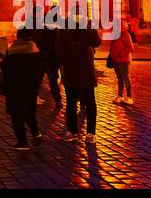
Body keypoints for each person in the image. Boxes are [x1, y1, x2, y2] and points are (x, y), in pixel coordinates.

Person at [55, 13, 100, 142]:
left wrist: (64, 64)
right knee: (86, 102)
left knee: (73, 102)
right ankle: (89, 133)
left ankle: (74, 131)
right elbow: (96, 42)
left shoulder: (66, 30)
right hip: (83, 70)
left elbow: (58, 50)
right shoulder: (68, 30)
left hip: (75, 70)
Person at [0, 30, 46, 149]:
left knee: (16, 114)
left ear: (18, 36)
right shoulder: (35, 49)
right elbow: (41, 69)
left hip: (15, 87)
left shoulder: (12, 51)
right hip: (31, 87)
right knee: (29, 112)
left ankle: (22, 141)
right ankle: (36, 134)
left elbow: (4, 67)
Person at [36, 15, 63, 107]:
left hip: (47, 56)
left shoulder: (44, 29)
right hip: (56, 56)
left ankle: (57, 100)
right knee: (54, 78)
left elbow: (40, 42)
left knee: (50, 80)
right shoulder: (60, 29)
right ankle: (58, 100)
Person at [110, 16, 136, 104]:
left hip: (123, 60)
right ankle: (120, 95)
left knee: (125, 78)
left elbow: (130, 48)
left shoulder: (125, 34)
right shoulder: (115, 35)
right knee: (119, 78)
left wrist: (121, 54)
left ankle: (129, 97)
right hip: (115, 60)